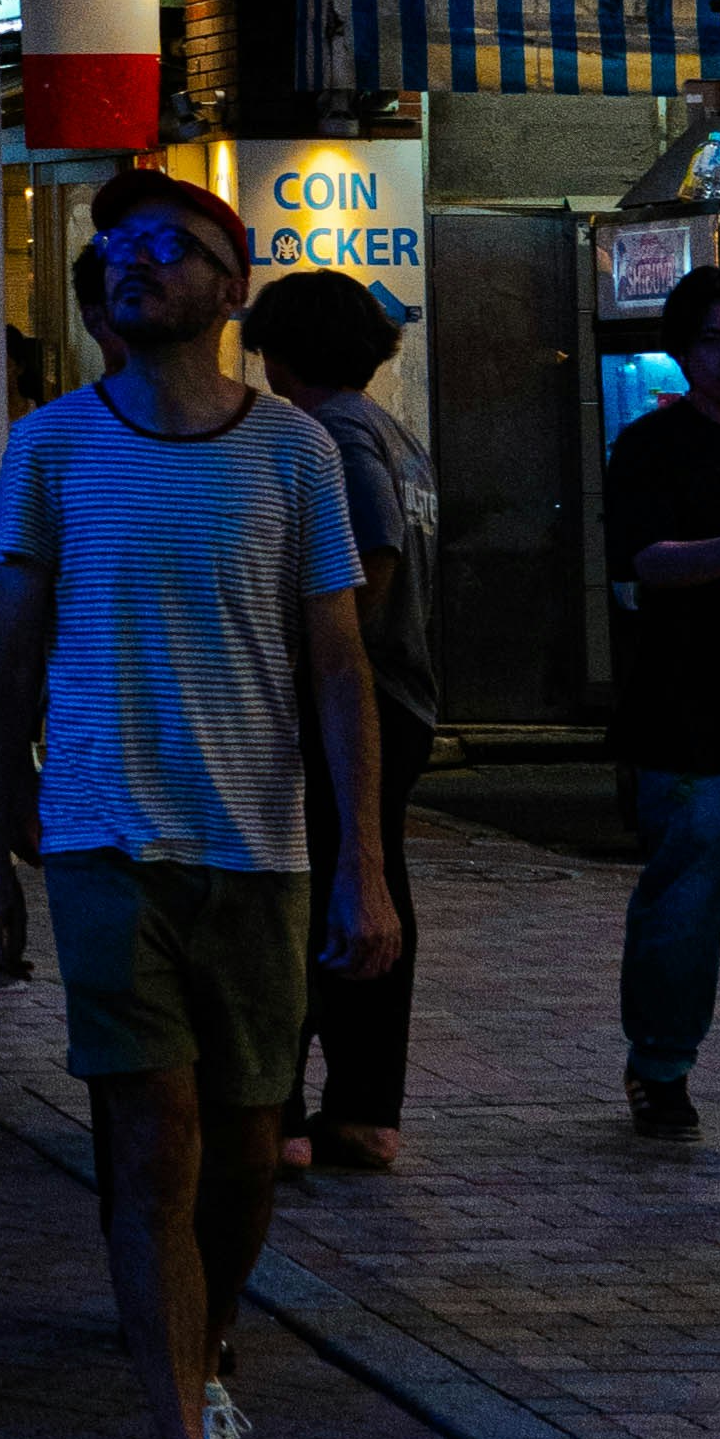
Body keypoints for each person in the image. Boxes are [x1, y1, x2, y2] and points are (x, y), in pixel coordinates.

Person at [0, 172, 393, 1439]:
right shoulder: (50, 446)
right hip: (102, 837)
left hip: (256, 847)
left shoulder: (290, 454)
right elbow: (5, 643)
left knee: (239, 1150)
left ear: (231, 292)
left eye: (177, 247)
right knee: (150, 1143)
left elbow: (336, 666)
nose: (142, 264)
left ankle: (202, 1366)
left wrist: (363, 866)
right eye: (124, 250)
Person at [244, 266, 437, 1173]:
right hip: (399, 699)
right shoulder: (392, 433)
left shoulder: (330, 439)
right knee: (364, 887)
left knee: (313, 893)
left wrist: (320, 667)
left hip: (353, 703)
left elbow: (368, 570)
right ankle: (363, 1108)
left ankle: (300, 1109)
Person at [603, 254, 720, 1144]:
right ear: (679, 353)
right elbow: (646, 564)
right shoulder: (652, 447)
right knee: (681, 909)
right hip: (690, 720)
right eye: (712, 341)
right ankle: (660, 1067)